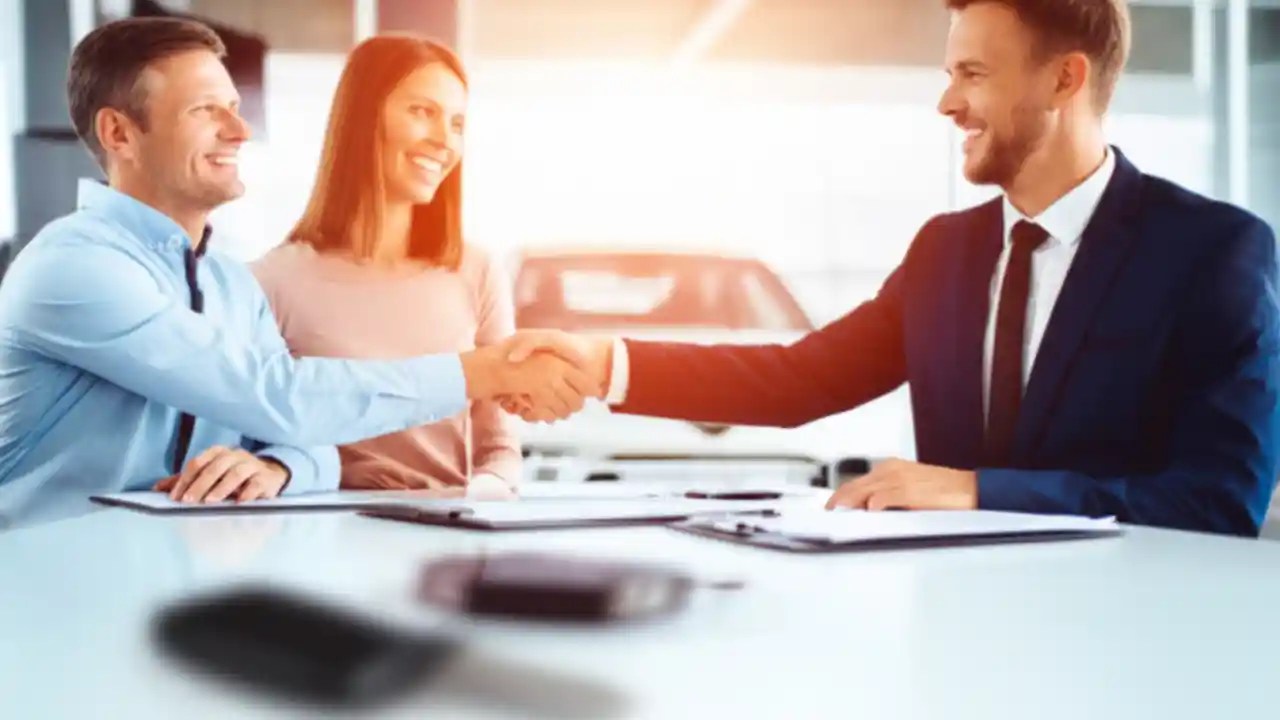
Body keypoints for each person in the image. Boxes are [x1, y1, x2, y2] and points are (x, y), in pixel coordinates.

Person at [511, 0, 1280, 536]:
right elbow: (799, 380)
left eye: (972, 73)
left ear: (1064, 79)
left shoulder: (1212, 252)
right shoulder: (946, 251)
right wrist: (604, 364)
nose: (947, 103)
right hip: (951, 636)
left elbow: (1219, 501)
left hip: (1121, 649)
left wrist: (977, 492)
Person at [0, 17, 595, 528]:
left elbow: (311, 445)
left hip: (166, 583)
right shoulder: (71, 268)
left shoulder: (231, 287)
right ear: (119, 133)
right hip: (47, 587)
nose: (240, 131)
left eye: (235, 109)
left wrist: (279, 465)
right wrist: (483, 370)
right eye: (206, 110)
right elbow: (278, 397)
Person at [253, 36, 517, 497]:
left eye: (456, 123)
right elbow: (256, 437)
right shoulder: (270, 281)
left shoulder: (476, 271)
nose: (444, 140)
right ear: (364, 117)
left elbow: (499, 446)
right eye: (422, 111)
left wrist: (488, 493)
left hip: (448, 526)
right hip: (319, 528)